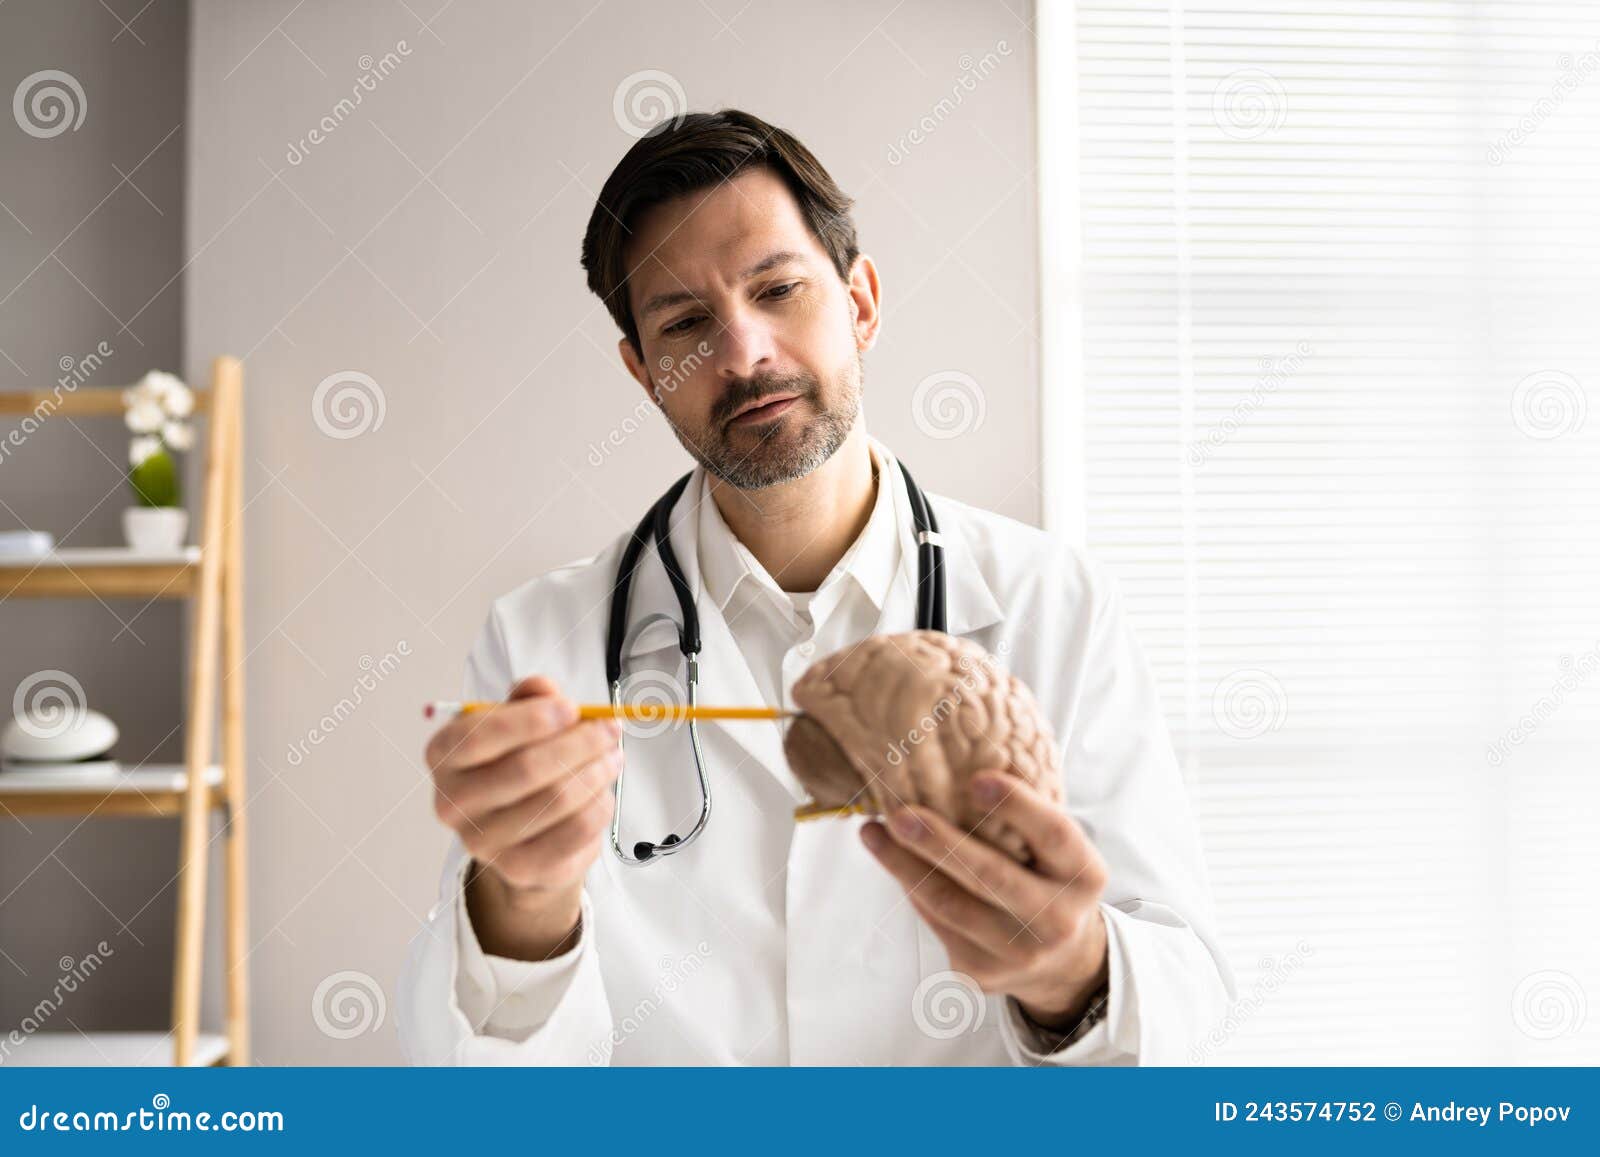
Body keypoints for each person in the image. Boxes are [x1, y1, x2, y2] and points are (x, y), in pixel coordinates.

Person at [398, 109, 1232, 1065]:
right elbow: (480, 1088)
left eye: (778, 289)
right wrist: (522, 902)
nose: (745, 353)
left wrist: (1070, 973)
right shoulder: (543, 639)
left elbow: (1187, 1005)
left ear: (862, 300)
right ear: (643, 370)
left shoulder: (1054, 607)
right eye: (684, 322)